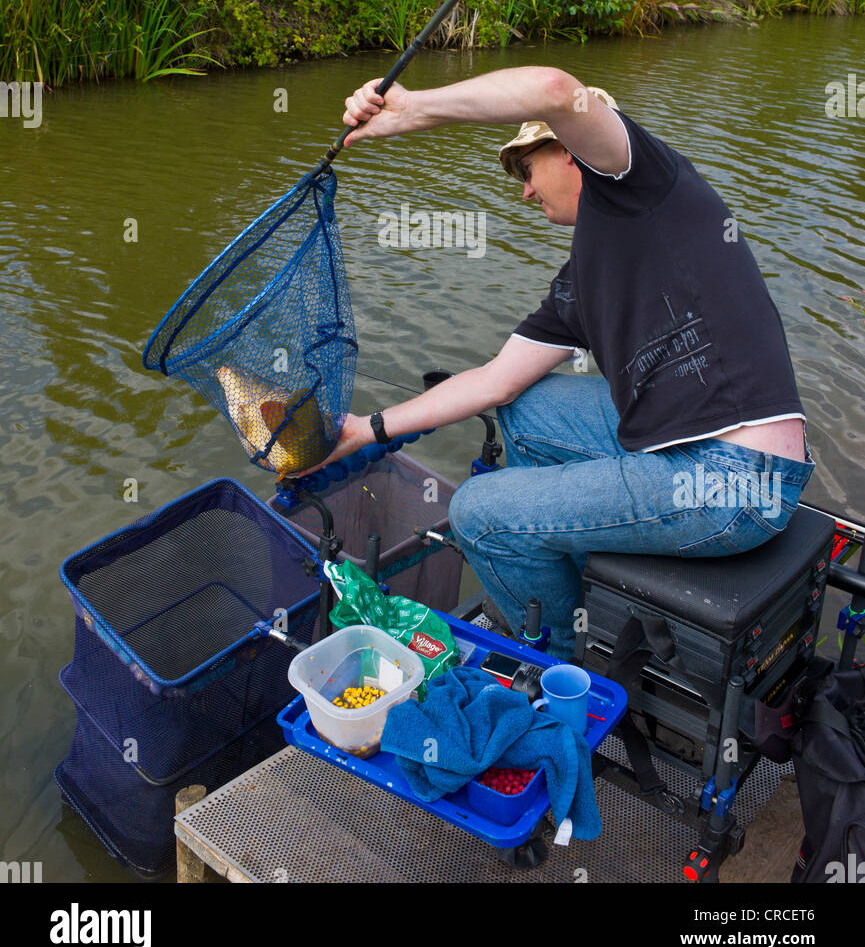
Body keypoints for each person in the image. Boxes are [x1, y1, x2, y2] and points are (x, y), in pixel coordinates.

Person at [311, 65, 814, 659]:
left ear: (570, 151)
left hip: (737, 480)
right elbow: (495, 381)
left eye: (527, 169)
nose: (524, 190)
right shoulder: (583, 277)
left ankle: (567, 662)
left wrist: (416, 109)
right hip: (681, 449)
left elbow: (554, 90)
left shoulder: (647, 184)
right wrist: (364, 429)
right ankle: (556, 577)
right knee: (525, 405)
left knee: (477, 512)